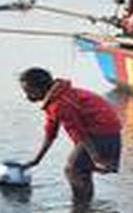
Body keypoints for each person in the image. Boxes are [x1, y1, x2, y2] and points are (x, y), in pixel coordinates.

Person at [18, 67, 122, 203]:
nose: (27, 97)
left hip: (102, 132)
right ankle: (85, 209)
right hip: (103, 131)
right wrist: (37, 160)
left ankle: (81, 207)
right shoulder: (55, 99)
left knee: (73, 170)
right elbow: (50, 133)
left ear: (40, 89)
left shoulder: (60, 104)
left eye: (29, 92)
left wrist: (95, 157)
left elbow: (78, 132)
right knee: (80, 170)